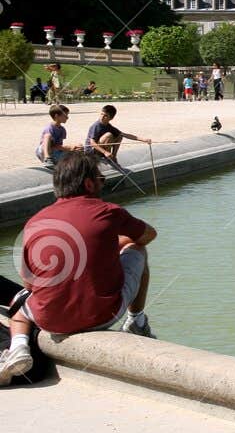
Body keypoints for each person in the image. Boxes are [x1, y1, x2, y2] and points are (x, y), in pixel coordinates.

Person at [1, 152, 157, 384]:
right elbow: (148, 235)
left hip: (47, 319)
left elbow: (29, 284)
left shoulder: (35, 222)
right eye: (101, 179)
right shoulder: (108, 211)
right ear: (88, 183)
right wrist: (118, 244)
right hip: (101, 315)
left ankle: (19, 347)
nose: (103, 184)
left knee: (21, 314)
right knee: (138, 249)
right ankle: (137, 320)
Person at [85, 105, 150, 170]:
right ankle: (108, 158)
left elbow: (125, 135)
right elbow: (92, 143)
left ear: (111, 118)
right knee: (109, 135)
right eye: (101, 114)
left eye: (105, 116)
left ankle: (113, 156)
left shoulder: (109, 126)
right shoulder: (96, 125)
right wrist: (105, 152)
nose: (102, 117)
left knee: (119, 135)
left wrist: (144, 140)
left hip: (100, 150)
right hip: (91, 152)